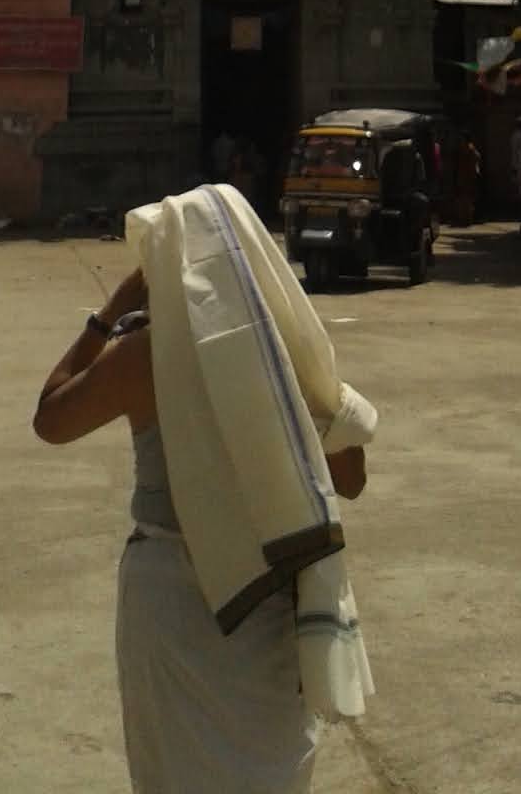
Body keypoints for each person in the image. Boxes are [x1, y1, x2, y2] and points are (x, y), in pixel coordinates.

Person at [34, 183, 376, 793]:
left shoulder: (141, 353)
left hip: (169, 596)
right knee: (263, 766)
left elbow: (50, 419)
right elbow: (350, 480)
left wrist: (107, 315)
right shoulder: (286, 354)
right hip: (264, 598)